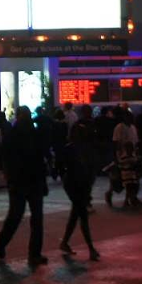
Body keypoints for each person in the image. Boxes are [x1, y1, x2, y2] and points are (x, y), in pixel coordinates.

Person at [0, 107, 49, 267]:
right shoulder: (26, 134)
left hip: (25, 181)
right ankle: (31, 253)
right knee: (26, 217)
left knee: (22, 216)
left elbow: (4, 157)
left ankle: (7, 245)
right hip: (26, 181)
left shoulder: (16, 134)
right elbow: (40, 158)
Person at [60, 106, 100, 259]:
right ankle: (90, 248)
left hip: (77, 183)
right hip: (76, 184)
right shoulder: (79, 149)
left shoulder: (76, 148)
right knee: (81, 213)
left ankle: (65, 242)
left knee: (76, 212)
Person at [108, 107, 140, 209]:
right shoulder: (119, 128)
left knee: (131, 180)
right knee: (123, 180)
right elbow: (116, 143)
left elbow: (135, 143)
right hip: (123, 157)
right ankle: (111, 194)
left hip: (131, 157)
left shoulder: (133, 128)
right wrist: (116, 157)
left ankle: (129, 199)